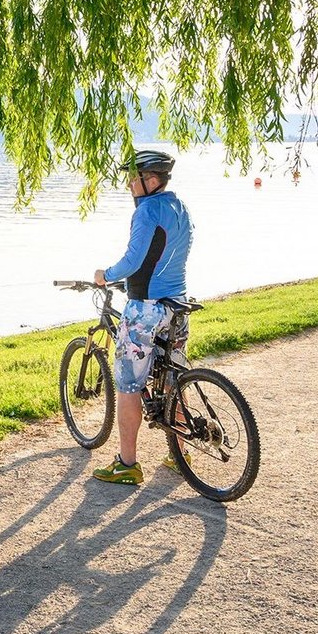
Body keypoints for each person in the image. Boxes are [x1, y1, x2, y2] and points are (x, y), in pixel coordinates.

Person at [92, 149, 194, 485]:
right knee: (175, 377)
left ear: (149, 179)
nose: (129, 185)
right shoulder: (179, 206)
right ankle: (181, 454)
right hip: (177, 305)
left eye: (132, 179)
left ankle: (127, 464)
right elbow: (166, 255)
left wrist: (106, 274)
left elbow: (135, 259)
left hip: (145, 310)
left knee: (129, 385)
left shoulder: (147, 210)